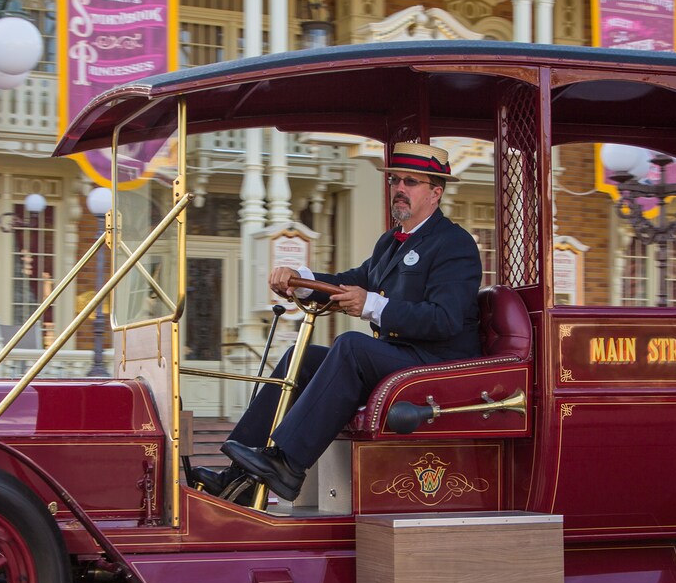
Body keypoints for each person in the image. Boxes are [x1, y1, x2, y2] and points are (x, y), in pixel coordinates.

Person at [193, 142, 483, 504]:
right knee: (300, 358)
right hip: (401, 357)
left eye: (410, 182)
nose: (399, 189)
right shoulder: (390, 243)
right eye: (394, 180)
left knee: (351, 346)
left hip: (437, 365)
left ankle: (287, 464)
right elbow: (350, 281)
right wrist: (302, 280)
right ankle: (238, 475)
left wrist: (373, 305)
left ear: (435, 192)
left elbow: (445, 319)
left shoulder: (454, 243)